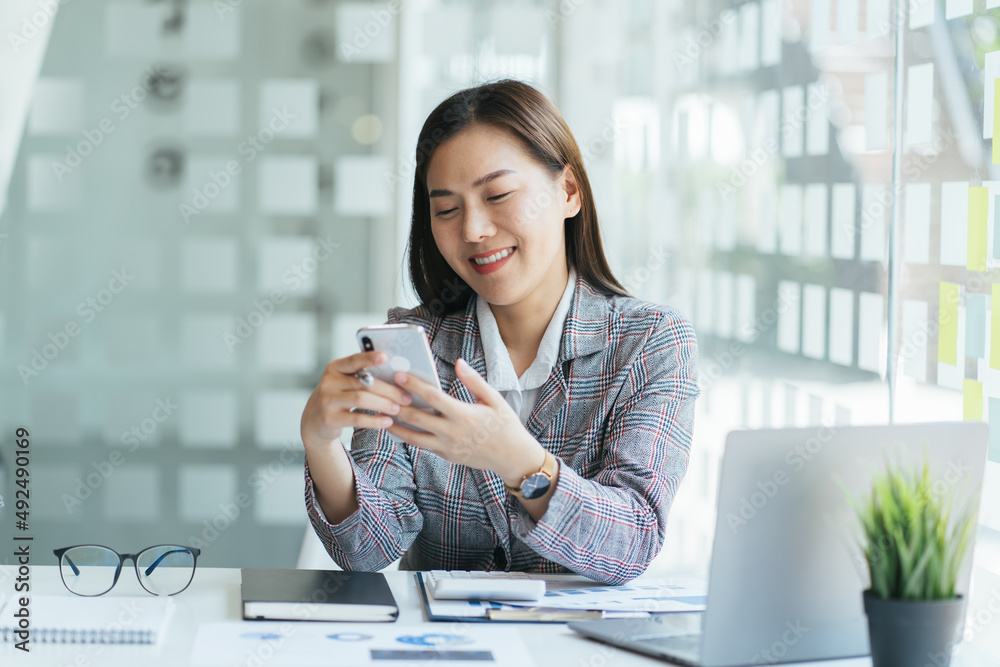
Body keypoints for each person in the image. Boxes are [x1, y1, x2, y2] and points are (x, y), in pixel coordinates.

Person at [301, 79, 699, 585]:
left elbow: (633, 540)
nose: (473, 230)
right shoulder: (412, 342)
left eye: (499, 195)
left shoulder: (649, 342)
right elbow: (367, 549)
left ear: (569, 192)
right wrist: (320, 443)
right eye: (446, 209)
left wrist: (517, 460)